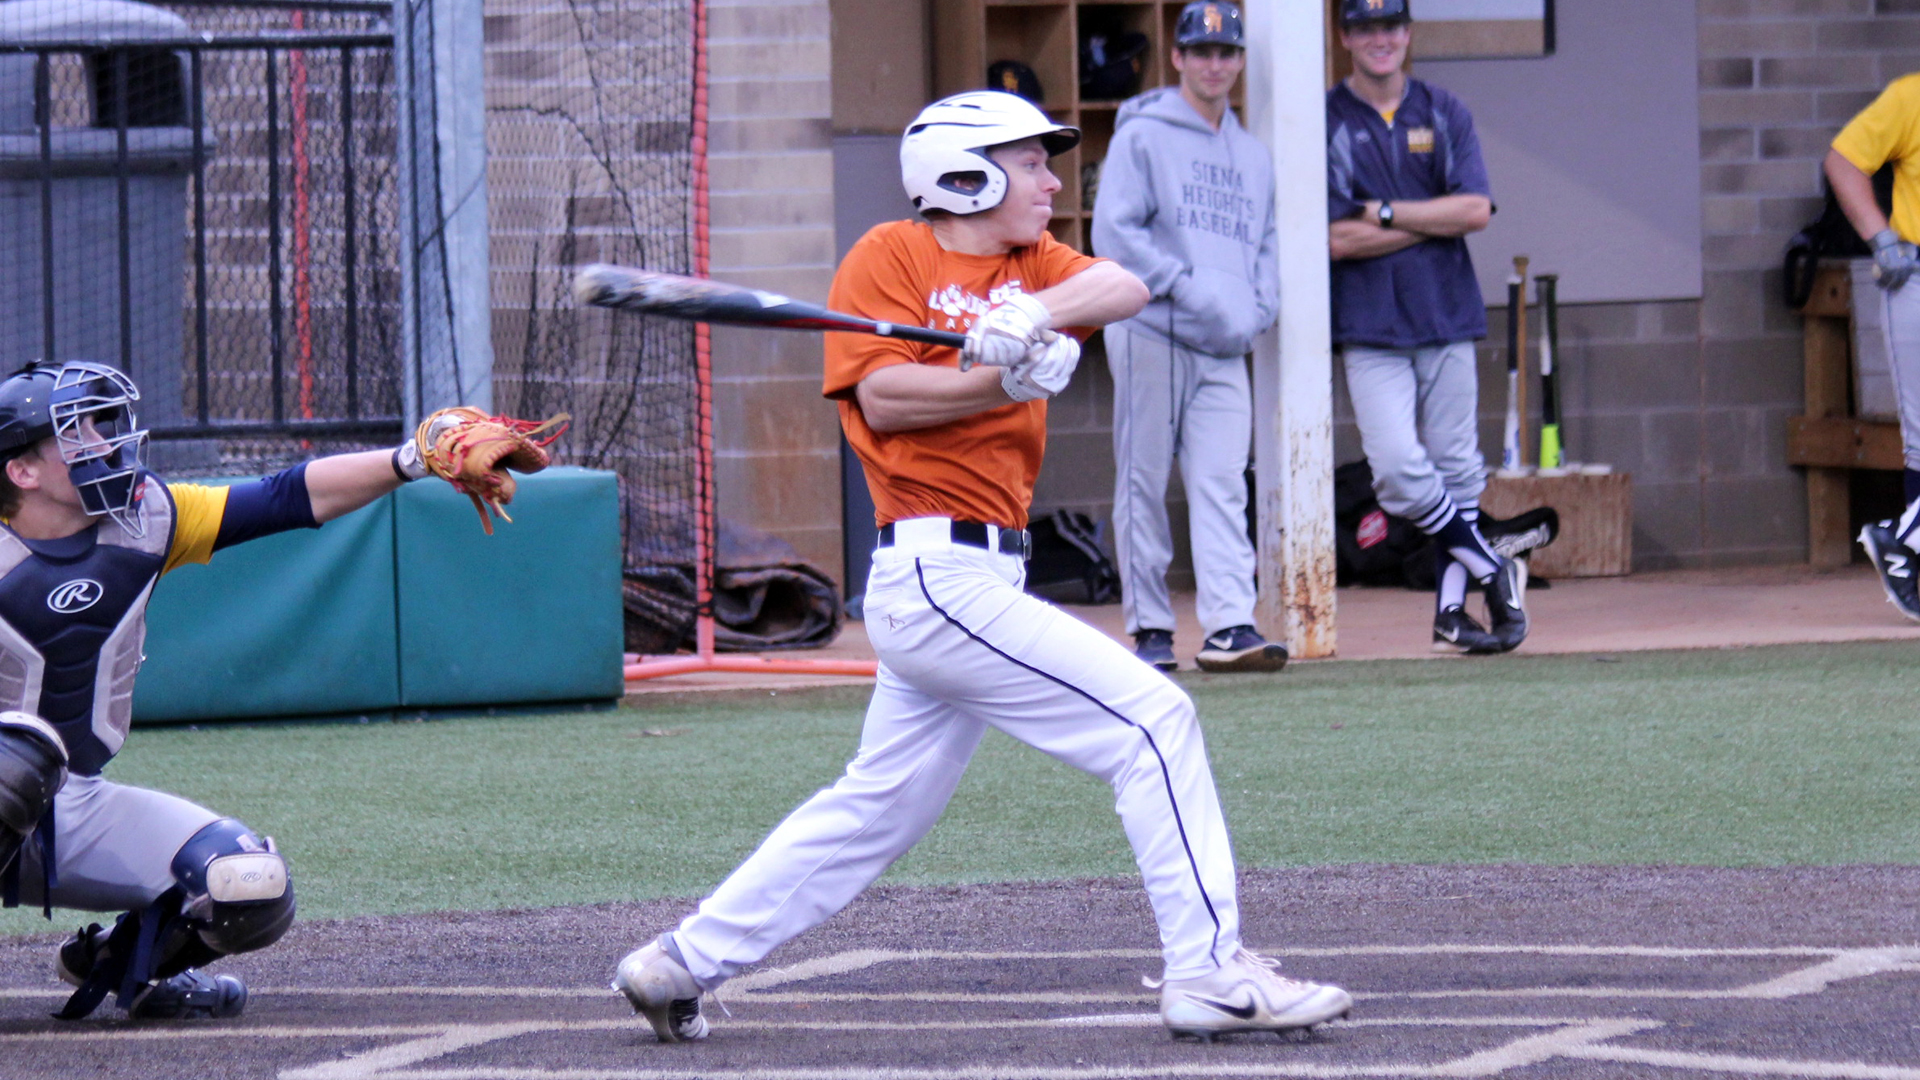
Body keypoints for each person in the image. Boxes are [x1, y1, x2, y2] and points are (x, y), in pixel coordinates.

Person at [613, 89, 1351, 1045]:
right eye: (1031, 161)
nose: (1051, 179)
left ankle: (680, 961)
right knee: (1154, 723)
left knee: (876, 807)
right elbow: (883, 399)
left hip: (986, 578)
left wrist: (1028, 313)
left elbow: (1122, 286)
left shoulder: (1032, 261)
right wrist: (993, 373)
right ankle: (1208, 973)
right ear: (966, 175)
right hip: (932, 569)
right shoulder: (891, 255)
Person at [0, 359, 536, 1020]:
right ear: (21, 472)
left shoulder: (143, 521)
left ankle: (120, 962)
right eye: (75, 435)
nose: (104, 445)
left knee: (247, 883)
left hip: (73, 802)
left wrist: (411, 460)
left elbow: (286, 497)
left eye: (99, 427)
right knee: (12, 758)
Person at [1090, 0, 1286, 675]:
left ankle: (1231, 624)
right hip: (1154, 329)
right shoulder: (1142, 134)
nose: (1214, 63)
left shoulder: (1253, 155)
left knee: (1223, 482)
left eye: (1226, 51)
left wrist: (1260, 306)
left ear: (1238, 61)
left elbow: (1264, 244)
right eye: (1200, 51)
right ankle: (1149, 629)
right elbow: (1114, 235)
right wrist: (1190, 287)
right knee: (1142, 481)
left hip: (1226, 343)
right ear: (1176, 57)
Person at [1326, 0, 1527, 655]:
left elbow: (1473, 211)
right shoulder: (1329, 118)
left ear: (1408, 34)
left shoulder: (1445, 109)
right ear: (1345, 36)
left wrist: (1383, 213)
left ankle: (1450, 616)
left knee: (1458, 472)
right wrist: (1425, 219)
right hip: (1369, 325)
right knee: (1398, 474)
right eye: (1364, 27)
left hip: (1445, 315)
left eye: (1390, 26)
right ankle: (1491, 568)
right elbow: (1333, 240)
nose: (1379, 39)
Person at [1827, 77, 1920, 622]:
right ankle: (1905, 546)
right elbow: (1844, 161)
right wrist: (1880, 237)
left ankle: (1900, 540)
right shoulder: (1912, 96)